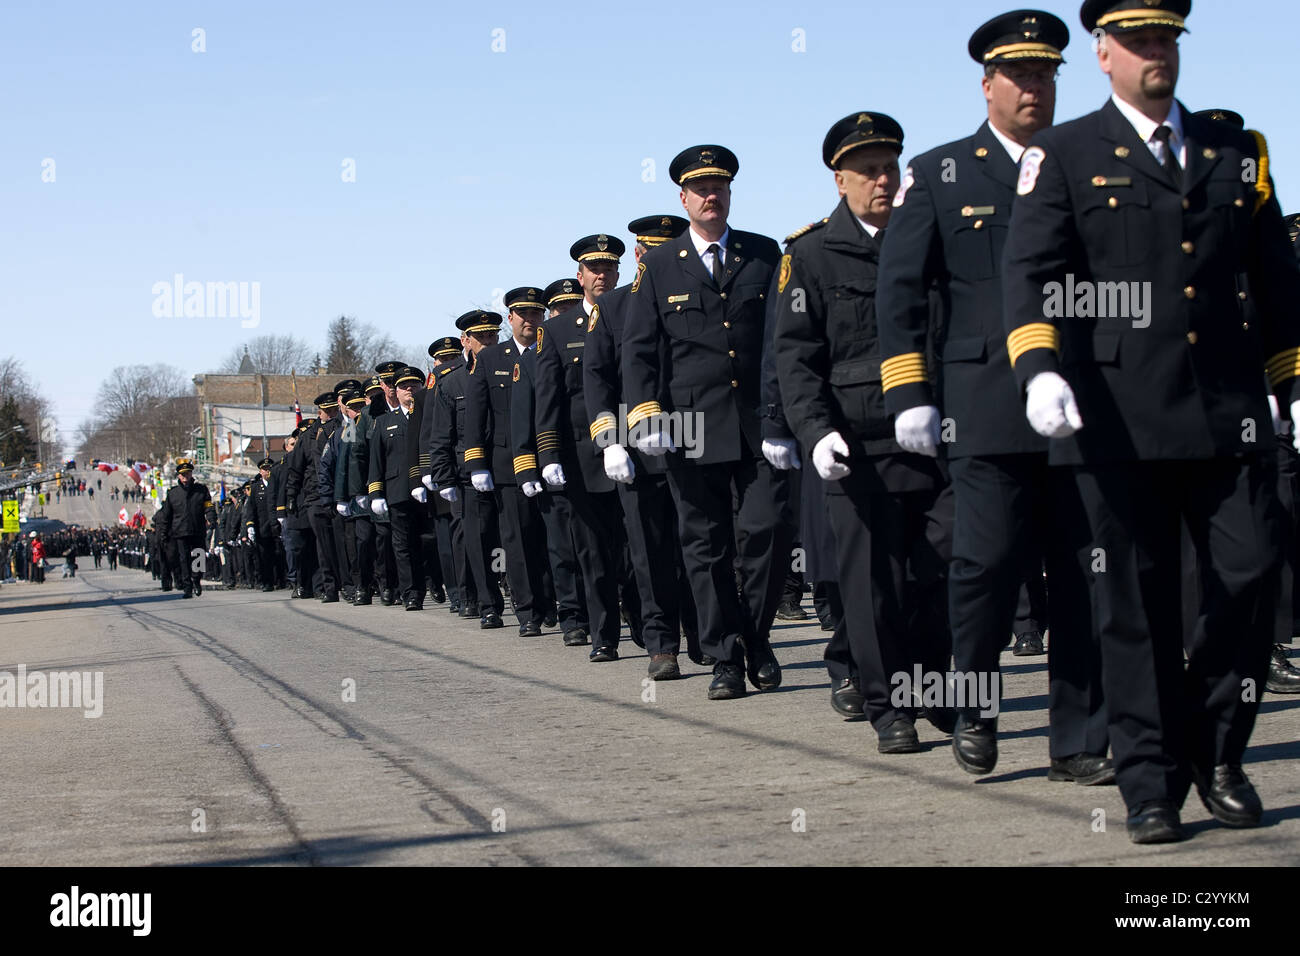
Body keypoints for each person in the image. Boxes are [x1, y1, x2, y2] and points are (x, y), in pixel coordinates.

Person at [1000, 0, 1300, 842]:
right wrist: (1037, 366)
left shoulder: (1233, 151)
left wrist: (1294, 378)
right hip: (1116, 416)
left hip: (1227, 410)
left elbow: (1275, 277)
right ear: (1103, 54)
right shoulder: (1063, 153)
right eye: (1137, 41)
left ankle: (1213, 743)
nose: (1155, 53)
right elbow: (1031, 271)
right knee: (1131, 603)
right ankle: (1148, 784)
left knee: (1250, 573)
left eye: (1166, 38)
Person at [876, 9, 1111, 782]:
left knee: (1083, 570)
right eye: (1019, 74)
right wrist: (910, 390)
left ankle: (1078, 741)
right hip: (982, 403)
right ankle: (974, 705)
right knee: (985, 563)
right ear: (987, 85)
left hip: (1079, 401)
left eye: (1046, 73)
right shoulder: (943, 173)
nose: (1034, 87)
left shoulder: (1087, 160)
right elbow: (901, 292)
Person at [775, 111, 955, 752]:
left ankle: (932, 686)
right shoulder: (811, 255)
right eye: (868, 170)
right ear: (839, 178)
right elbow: (795, 358)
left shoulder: (926, 242)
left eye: (890, 167)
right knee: (871, 584)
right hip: (856, 447)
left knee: (940, 569)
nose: (883, 180)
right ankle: (887, 708)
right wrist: (815, 431)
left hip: (932, 438)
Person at [621, 145, 784, 699]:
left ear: (730, 193)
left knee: (764, 535)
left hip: (758, 424)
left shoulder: (763, 254)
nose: (712, 195)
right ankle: (724, 657)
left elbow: (782, 339)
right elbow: (640, 349)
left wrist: (786, 415)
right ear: (683, 198)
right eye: (701, 188)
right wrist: (645, 416)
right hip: (688, 428)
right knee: (705, 546)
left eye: (720, 186)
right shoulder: (661, 265)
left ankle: (756, 639)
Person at [465, 287, 557, 636]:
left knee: (550, 537)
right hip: (506, 464)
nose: (530, 320)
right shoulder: (490, 359)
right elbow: (476, 414)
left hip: (551, 456)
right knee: (517, 540)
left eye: (537, 314)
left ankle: (551, 600)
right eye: (524, 315)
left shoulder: (552, 348)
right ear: (511, 319)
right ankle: (528, 610)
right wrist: (477, 463)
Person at [428, 311, 504, 628]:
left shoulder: (508, 369)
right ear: (466, 340)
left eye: (492, 336)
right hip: (467, 472)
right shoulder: (452, 382)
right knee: (476, 539)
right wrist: (443, 475)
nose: (487, 342)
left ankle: (531, 602)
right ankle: (486, 603)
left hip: (507, 465)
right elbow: (441, 434)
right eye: (481, 337)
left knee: (512, 538)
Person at [156, 458, 217, 598]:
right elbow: (166, 516)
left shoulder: (201, 490)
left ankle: (196, 579)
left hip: (197, 529)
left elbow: (208, 507)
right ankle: (187, 587)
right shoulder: (173, 493)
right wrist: (164, 533)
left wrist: (211, 518)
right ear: (178, 476)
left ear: (191, 474)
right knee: (183, 560)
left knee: (199, 556)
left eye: (188, 474)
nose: (185, 477)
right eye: (183, 475)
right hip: (180, 532)